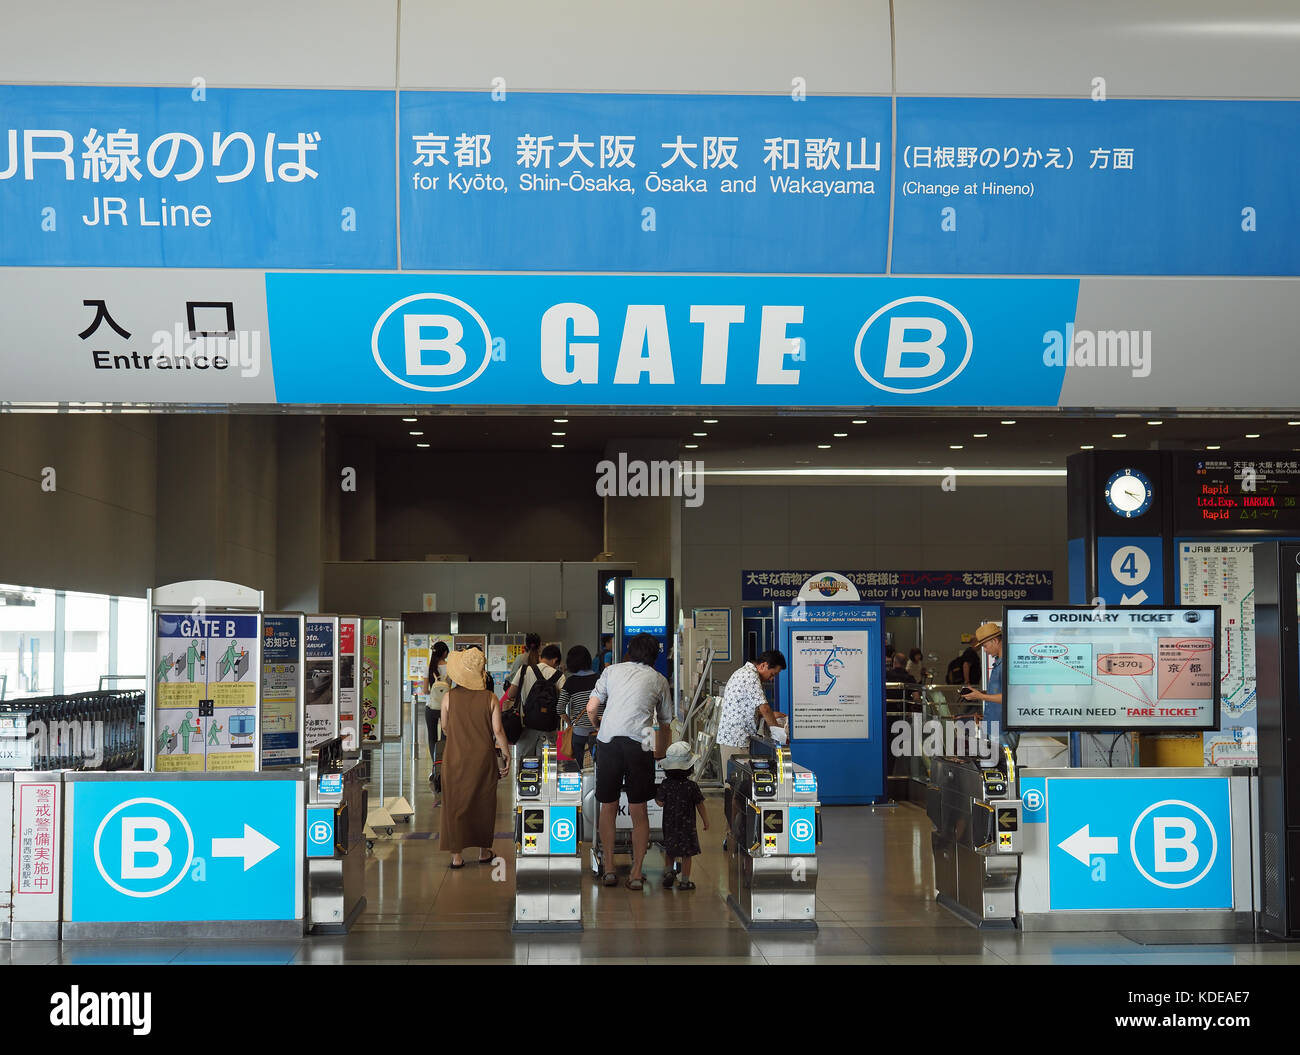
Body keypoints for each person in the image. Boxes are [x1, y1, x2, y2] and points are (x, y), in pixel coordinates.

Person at [586, 632, 673, 890]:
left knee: (608, 807)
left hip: (609, 742)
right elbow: (666, 722)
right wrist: (660, 752)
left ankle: (610, 869)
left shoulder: (611, 671)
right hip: (641, 743)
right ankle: (636, 873)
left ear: (630, 650)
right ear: (654, 656)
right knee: (639, 810)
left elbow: (592, 707)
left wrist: (598, 726)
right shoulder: (658, 679)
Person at [440, 647, 510, 868]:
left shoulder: (448, 697)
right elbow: (498, 731)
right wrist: (506, 754)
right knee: (483, 802)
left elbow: (444, 727)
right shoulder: (490, 698)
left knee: (455, 803)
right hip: (483, 759)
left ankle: (456, 856)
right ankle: (483, 851)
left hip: (454, 758)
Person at [716, 650, 787, 783]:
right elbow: (764, 708)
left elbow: (747, 707)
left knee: (736, 784)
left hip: (733, 738)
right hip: (736, 739)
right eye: (773, 674)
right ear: (763, 665)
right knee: (737, 785)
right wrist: (779, 735)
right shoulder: (751, 676)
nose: (771, 679)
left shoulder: (744, 672)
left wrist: (772, 715)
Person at [656, 742, 708, 890]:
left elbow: (659, 803)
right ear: (690, 767)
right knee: (687, 854)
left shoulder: (666, 784)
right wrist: (706, 820)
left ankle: (668, 873)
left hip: (670, 824)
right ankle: (685, 881)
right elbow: (700, 804)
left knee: (669, 850)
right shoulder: (692, 786)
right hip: (687, 826)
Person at [506, 643, 564, 760]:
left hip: (526, 726)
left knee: (524, 765)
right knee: (547, 765)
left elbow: (510, 694)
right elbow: (563, 701)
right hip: (549, 728)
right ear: (555, 660)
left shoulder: (524, 670)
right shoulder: (559, 676)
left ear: (540, 657)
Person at [958, 622, 1007, 743]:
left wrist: (980, 696)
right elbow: (999, 691)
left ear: (995, 641)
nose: (984, 650)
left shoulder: (1006, 666)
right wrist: (980, 692)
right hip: (994, 724)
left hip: (1002, 727)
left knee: (1001, 760)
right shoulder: (998, 663)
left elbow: (1009, 697)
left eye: (985, 646)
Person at [558, 644, 599, 769]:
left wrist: (570, 723)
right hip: (600, 732)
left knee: (582, 770)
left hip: (579, 734)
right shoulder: (601, 678)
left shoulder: (571, 681)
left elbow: (559, 708)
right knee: (600, 769)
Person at [425, 640, 451, 782]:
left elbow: (425, 690)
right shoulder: (450, 668)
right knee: (445, 737)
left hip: (431, 707)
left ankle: (434, 767)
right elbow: (451, 689)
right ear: (445, 653)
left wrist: (434, 692)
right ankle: (444, 766)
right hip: (446, 708)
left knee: (431, 738)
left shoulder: (429, 667)